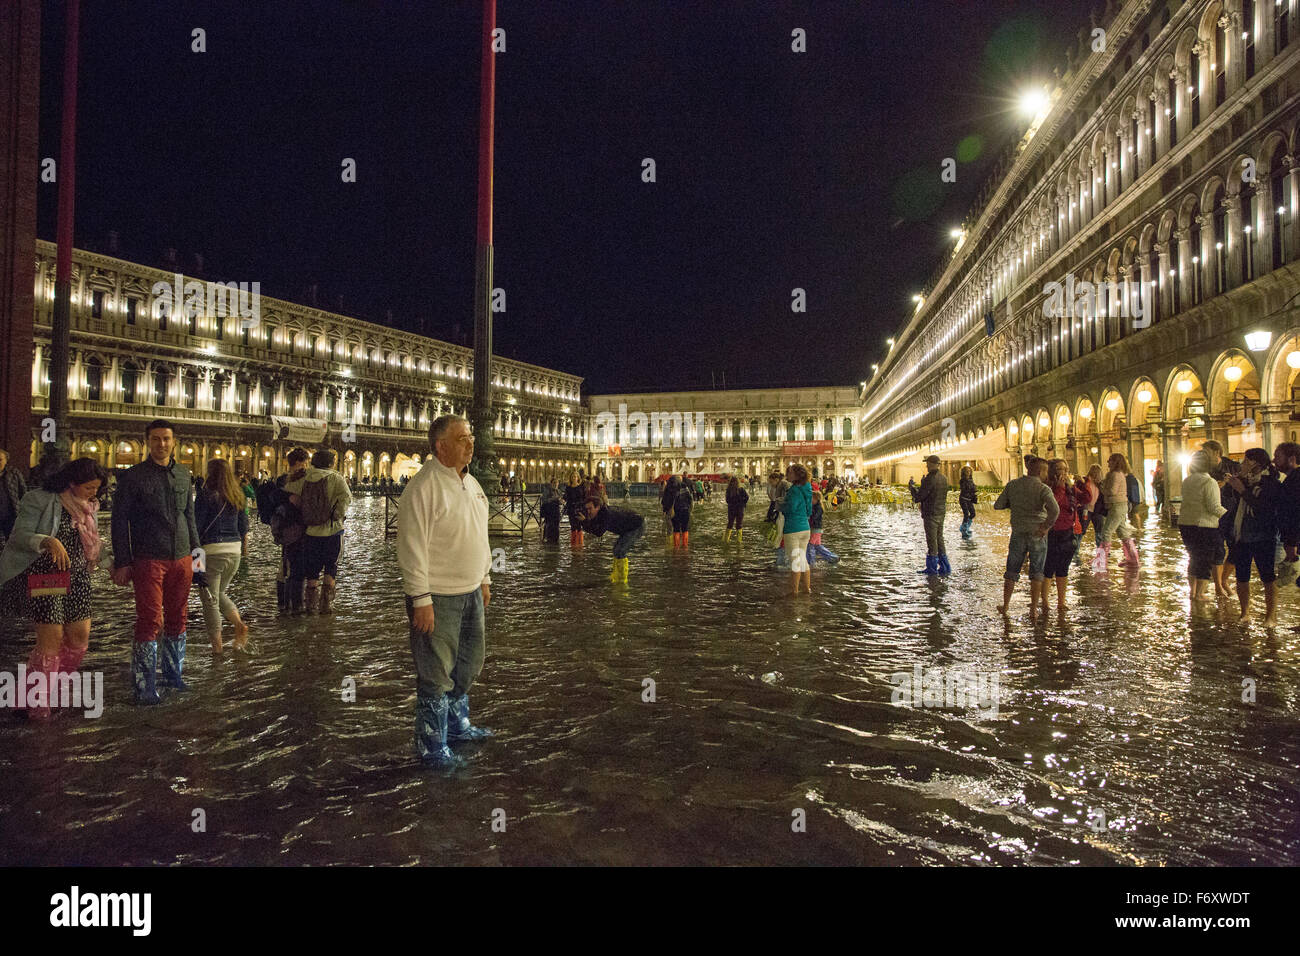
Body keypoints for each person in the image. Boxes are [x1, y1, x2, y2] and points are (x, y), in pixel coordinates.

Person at [395, 415, 493, 767]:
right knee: (436, 672)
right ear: (440, 446)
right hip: (437, 596)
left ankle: (457, 725)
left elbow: (479, 536)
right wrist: (421, 599)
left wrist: (484, 578)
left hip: (470, 593)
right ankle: (431, 745)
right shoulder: (423, 488)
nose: (471, 442)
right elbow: (411, 547)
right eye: (463, 437)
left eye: (471, 436)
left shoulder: (472, 483)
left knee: (469, 663)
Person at [0, 458, 107, 719]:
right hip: (46, 576)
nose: (93, 494)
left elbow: (93, 545)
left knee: (80, 638)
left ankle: (47, 692)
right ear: (72, 483)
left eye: (96, 489)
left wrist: (115, 565)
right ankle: (38, 706)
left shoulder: (89, 508)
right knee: (51, 639)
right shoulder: (40, 499)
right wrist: (47, 540)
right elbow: (19, 536)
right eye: (89, 488)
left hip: (79, 577)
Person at [110, 419, 200, 704]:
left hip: (183, 556)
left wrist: (197, 555)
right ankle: (144, 685)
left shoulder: (184, 474)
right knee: (149, 620)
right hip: (149, 558)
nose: (162, 444)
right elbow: (118, 520)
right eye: (156, 439)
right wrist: (124, 560)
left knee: (179, 617)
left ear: (174, 441)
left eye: (166, 439)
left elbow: (189, 516)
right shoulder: (133, 477)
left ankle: (174, 676)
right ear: (147, 442)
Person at [195, 458, 251, 653]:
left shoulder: (206, 495)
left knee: (209, 601)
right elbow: (244, 526)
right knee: (217, 594)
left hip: (211, 551)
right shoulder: (237, 494)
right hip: (234, 551)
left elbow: (197, 526)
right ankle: (238, 624)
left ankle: (217, 649)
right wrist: (243, 549)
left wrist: (194, 557)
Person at [285, 448, 351, 614]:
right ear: (330, 463)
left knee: (312, 572)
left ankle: (310, 608)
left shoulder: (305, 477)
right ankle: (326, 608)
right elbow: (345, 499)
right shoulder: (336, 478)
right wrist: (336, 516)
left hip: (310, 533)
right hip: (333, 531)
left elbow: (291, 495)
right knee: (331, 568)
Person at [1223, 447, 1283, 626]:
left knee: (1267, 576)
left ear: (1255, 463)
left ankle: (1270, 616)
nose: (1241, 465)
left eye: (1244, 461)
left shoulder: (1270, 483)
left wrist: (1242, 490)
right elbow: (1230, 500)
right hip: (1241, 535)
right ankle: (1245, 612)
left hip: (1264, 536)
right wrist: (1234, 486)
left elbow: (1263, 509)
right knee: (1242, 575)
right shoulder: (1243, 481)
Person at [993, 456, 1058, 618]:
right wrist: (1046, 527)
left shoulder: (1012, 485)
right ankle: (1033, 609)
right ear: (1040, 471)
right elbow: (1055, 511)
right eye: (1045, 471)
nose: (1046, 475)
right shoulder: (1043, 489)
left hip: (1018, 532)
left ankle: (1006, 605)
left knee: (1011, 570)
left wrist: (1014, 504)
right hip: (1038, 533)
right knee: (1037, 572)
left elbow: (998, 505)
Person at [1178, 450, 1228, 603]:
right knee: (1205, 561)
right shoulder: (1209, 482)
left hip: (1186, 525)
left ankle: (1192, 593)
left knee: (1193, 558)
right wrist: (1230, 515)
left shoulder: (1187, 480)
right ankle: (1200, 594)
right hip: (1204, 526)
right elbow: (1214, 507)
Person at [270, 448, 309, 614]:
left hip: (284, 530)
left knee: (285, 565)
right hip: (298, 529)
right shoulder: (302, 480)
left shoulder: (281, 481)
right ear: (300, 462)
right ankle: (296, 606)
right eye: (306, 462)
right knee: (297, 568)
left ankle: (283, 605)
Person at [1044, 459, 1086, 613]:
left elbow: (1086, 499)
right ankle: (1045, 601)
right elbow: (1053, 504)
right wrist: (1060, 488)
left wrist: (1082, 484)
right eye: (1060, 469)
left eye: (1065, 469)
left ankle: (1061, 602)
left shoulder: (1070, 488)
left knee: (1063, 569)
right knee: (1048, 568)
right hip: (1052, 531)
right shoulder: (1048, 488)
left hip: (1068, 531)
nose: (1063, 472)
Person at [580, 498, 645, 584]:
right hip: (628, 528)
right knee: (616, 550)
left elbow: (599, 532)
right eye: (586, 509)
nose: (588, 511)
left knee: (620, 551)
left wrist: (584, 521)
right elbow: (594, 527)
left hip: (637, 526)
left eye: (590, 508)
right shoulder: (601, 513)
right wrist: (585, 521)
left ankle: (622, 580)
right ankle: (616, 575)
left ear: (598, 507)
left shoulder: (606, 515)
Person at [1203, 440, 1238, 597]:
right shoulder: (1202, 470)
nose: (1204, 455)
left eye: (1206, 452)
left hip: (1232, 513)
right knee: (1216, 549)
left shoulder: (1233, 466)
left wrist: (1228, 483)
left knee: (1237, 548)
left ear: (1216, 452)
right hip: (1212, 516)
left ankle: (1224, 580)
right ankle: (1218, 586)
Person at [1093, 454, 1139, 571]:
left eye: (1110, 461)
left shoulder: (1114, 475)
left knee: (1106, 532)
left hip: (1116, 506)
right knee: (1123, 532)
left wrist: (1101, 486)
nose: (1108, 463)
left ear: (1116, 463)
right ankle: (1133, 560)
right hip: (1120, 505)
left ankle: (1100, 562)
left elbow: (1112, 491)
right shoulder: (1119, 474)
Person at [909, 455, 950, 575]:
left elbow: (919, 497)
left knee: (932, 541)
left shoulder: (929, 479)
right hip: (941, 512)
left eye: (927, 463)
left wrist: (912, 489)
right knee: (940, 539)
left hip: (930, 513)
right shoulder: (944, 478)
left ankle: (931, 568)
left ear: (932, 464)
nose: (926, 466)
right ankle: (945, 566)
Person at [781, 463, 814, 595]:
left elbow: (791, 509)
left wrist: (781, 506)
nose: (787, 475)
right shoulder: (807, 487)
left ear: (795, 475)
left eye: (789, 472)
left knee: (795, 561)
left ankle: (794, 592)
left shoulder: (793, 490)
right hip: (805, 529)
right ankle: (807, 589)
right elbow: (809, 510)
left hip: (793, 529)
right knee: (803, 560)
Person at [1272, 442, 1300, 563]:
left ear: (1292, 459)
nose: (1273, 461)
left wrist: (1291, 541)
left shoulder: (1295, 480)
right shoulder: (1292, 478)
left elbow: (1293, 512)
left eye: (1278, 457)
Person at [0, 449, 29, 550]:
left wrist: (23, 509)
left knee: (12, 539)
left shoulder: (14, 473)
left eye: (0, 460)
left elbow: (23, 491)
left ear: (6, 460)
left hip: (10, 512)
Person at [807, 490, 839, 563]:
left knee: (810, 545)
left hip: (816, 529)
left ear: (816, 499)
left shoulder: (818, 508)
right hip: (817, 529)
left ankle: (811, 563)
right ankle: (833, 557)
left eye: (811, 498)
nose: (810, 500)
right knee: (817, 546)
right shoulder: (816, 506)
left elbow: (814, 517)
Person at [670, 473, 693, 547]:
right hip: (685, 510)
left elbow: (669, 500)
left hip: (675, 511)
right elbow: (690, 500)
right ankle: (685, 546)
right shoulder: (685, 488)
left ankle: (676, 547)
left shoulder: (672, 488)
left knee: (676, 529)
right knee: (685, 528)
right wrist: (690, 510)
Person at [564, 470, 586, 548]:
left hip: (579, 508)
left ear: (578, 478)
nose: (574, 478)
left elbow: (584, 497)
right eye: (573, 477)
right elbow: (566, 496)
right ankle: (573, 543)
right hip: (571, 508)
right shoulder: (568, 488)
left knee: (579, 526)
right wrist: (563, 500)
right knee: (573, 526)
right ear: (571, 478)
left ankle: (579, 543)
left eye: (575, 476)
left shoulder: (581, 487)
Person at [724, 475, 749, 542]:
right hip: (740, 509)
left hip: (731, 509)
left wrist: (731, 504)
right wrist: (743, 503)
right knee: (739, 524)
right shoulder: (741, 489)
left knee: (730, 523)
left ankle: (726, 540)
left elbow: (727, 500)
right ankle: (739, 541)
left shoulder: (728, 490)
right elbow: (747, 497)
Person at [538, 476, 562, 544]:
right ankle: (547, 539)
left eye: (557, 483)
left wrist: (561, 501)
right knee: (549, 525)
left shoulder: (559, 491)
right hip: (549, 511)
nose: (556, 484)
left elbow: (560, 500)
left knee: (556, 526)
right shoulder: (547, 491)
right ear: (551, 483)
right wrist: (552, 499)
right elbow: (543, 500)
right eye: (554, 483)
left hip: (556, 511)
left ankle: (555, 539)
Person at [958, 465, 977, 539]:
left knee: (973, 513)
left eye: (969, 471)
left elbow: (973, 489)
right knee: (966, 513)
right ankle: (964, 528)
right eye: (967, 471)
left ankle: (967, 526)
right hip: (963, 499)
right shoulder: (962, 481)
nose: (968, 473)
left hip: (969, 499)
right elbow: (965, 489)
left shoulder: (971, 480)